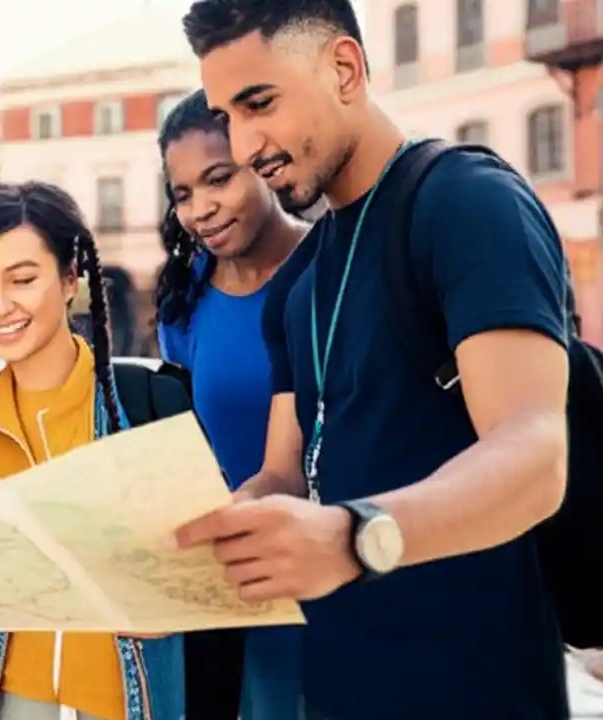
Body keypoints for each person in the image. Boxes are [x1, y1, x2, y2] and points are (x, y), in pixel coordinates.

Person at [175, 1, 572, 718]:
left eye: (260, 103)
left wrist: (354, 536)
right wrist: (186, 556)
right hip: (337, 688)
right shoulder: (297, 282)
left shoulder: (465, 202)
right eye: (227, 114)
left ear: (345, 69)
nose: (243, 142)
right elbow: (284, 473)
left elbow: (535, 453)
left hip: (479, 691)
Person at [0, 181, 187, 720]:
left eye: (23, 280)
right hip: (3, 704)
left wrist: (174, 597)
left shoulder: (148, 410)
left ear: (68, 279)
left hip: (127, 705)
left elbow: (218, 564)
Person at [155, 89, 309, 720]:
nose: (201, 209)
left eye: (218, 179)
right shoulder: (184, 299)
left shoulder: (326, 272)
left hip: (308, 564)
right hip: (211, 578)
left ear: (261, 162)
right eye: (183, 193)